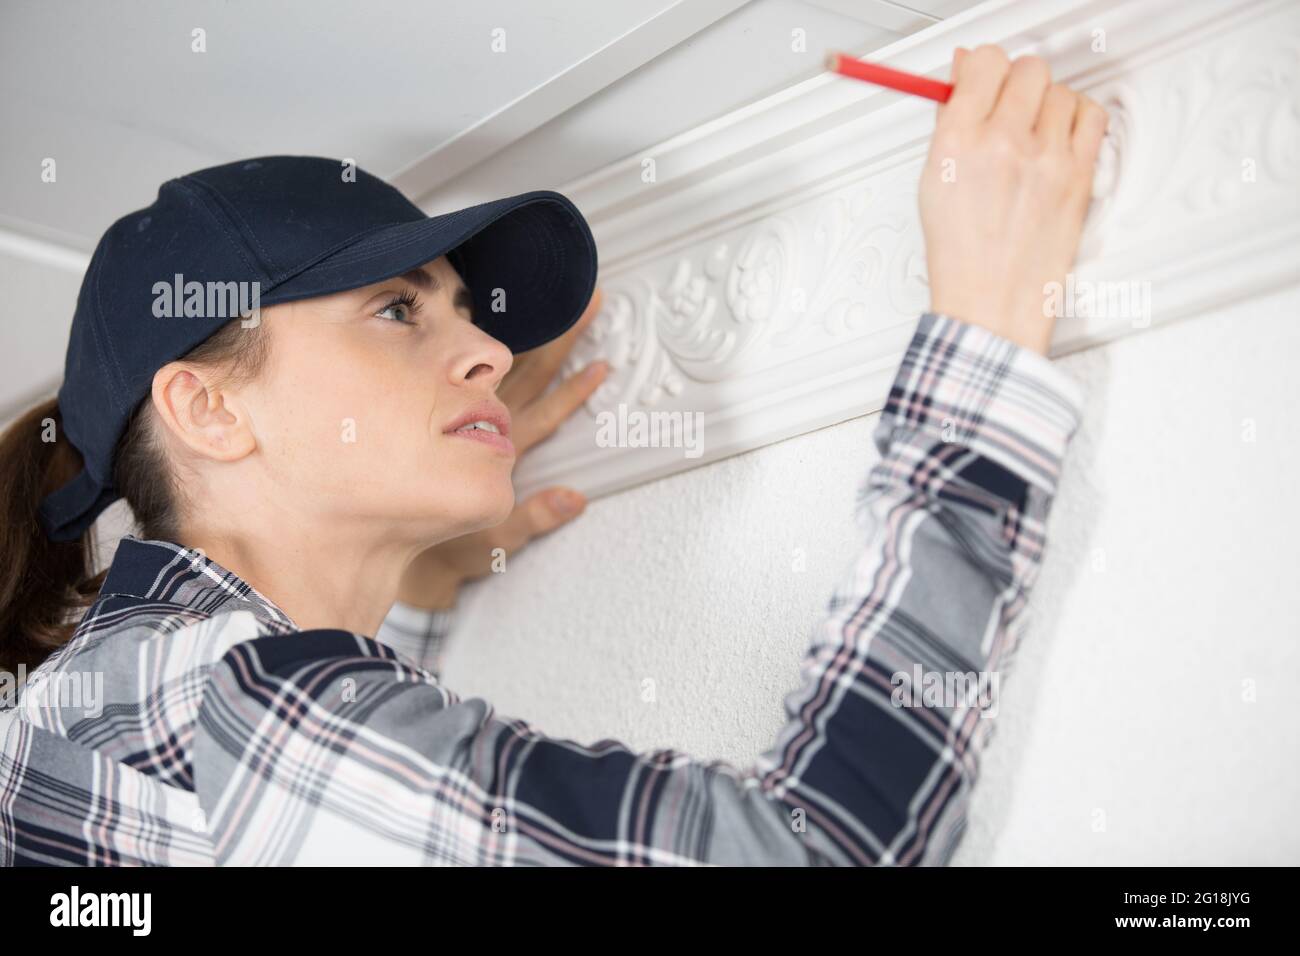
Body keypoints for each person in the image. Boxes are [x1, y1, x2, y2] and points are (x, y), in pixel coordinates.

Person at [0, 46, 1105, 865]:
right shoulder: (235, 706)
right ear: (205, 408)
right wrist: (986, 334)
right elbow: (828, 845)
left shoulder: (124, 697)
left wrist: (406, 584)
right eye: (396, 310)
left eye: (467, 311)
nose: (487, 348)